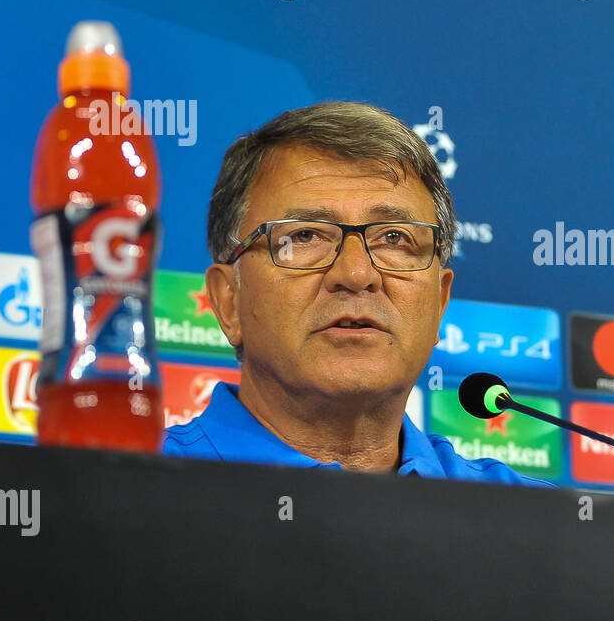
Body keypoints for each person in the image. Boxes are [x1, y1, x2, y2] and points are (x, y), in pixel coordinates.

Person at [162, 101, 550, 487]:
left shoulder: (539, 522)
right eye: (305, 236)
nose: (356, 273)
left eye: (394, 238)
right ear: (229, 300)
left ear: (439, 303)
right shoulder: (126, 488)